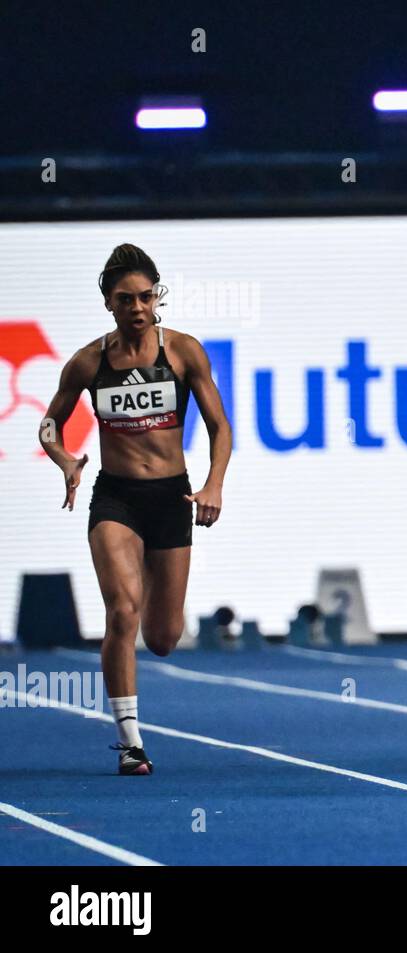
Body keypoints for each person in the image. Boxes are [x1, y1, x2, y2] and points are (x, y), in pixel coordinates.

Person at [39, 244, 232, 775]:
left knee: (163, 638)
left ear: (157, 298)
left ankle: (149, 600)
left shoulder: (185, 352)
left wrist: (214, 483)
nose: (138, 307)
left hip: (172, 497)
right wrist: (65, 460)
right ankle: (130, 743)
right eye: (126, 299)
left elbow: (220, 426)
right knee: (121, 611)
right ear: (109, 303)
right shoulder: (88, 361)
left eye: (147, 297)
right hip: (115, 497)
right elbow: (49, 423)